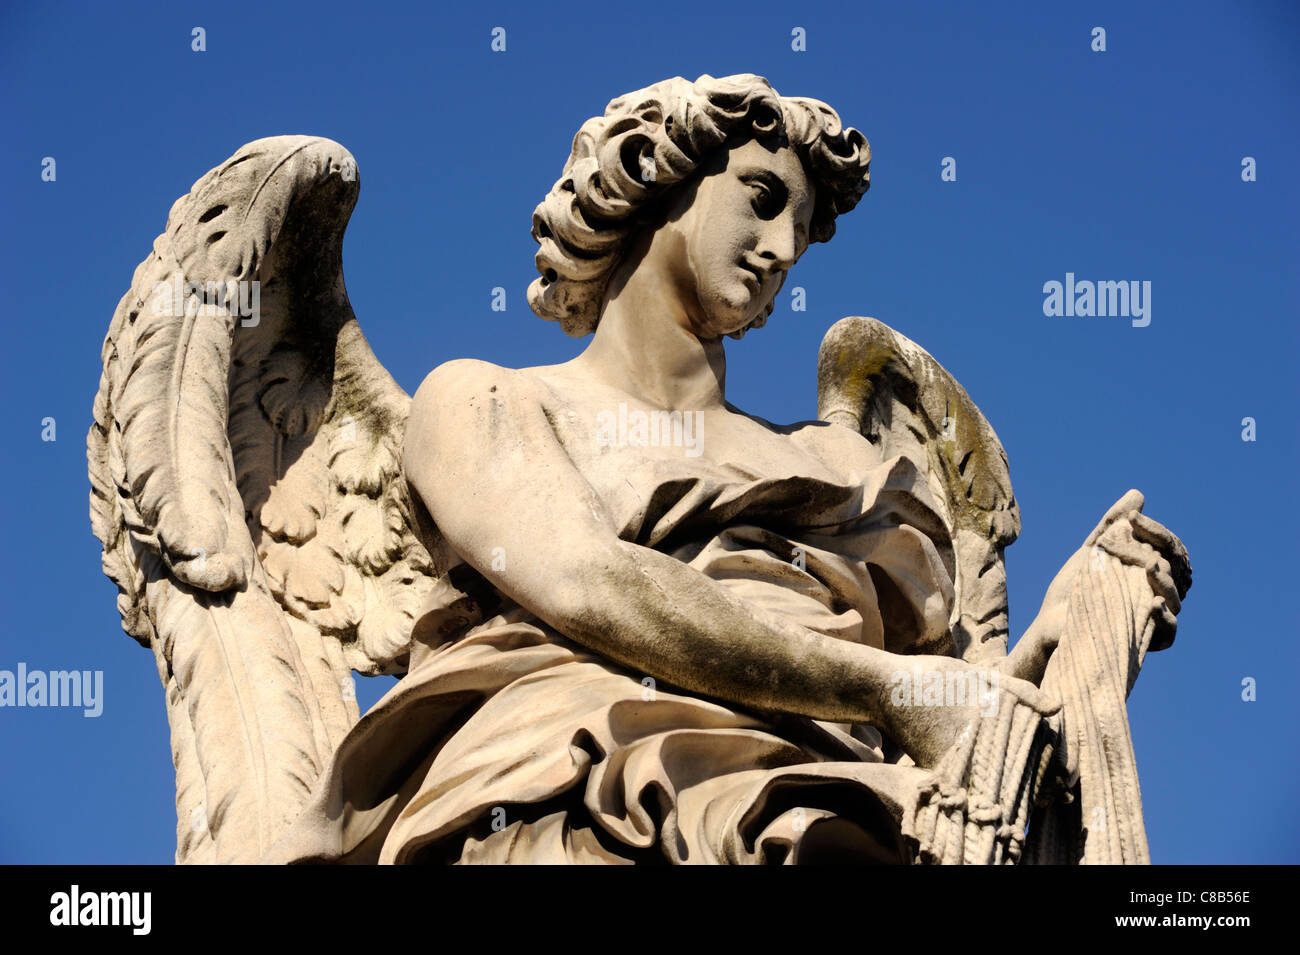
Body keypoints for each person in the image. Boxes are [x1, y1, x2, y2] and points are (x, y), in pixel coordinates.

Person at [263, 74, 1180, 865]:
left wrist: (1057, 645)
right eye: (762, 197)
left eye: (805, 228)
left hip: (834, 802)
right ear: (656, 178)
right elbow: (586, 580)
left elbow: (947, 738)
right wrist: (887, 688)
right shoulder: (486, 401)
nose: (783, 248)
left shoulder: (837, 458)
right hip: (572, 787)